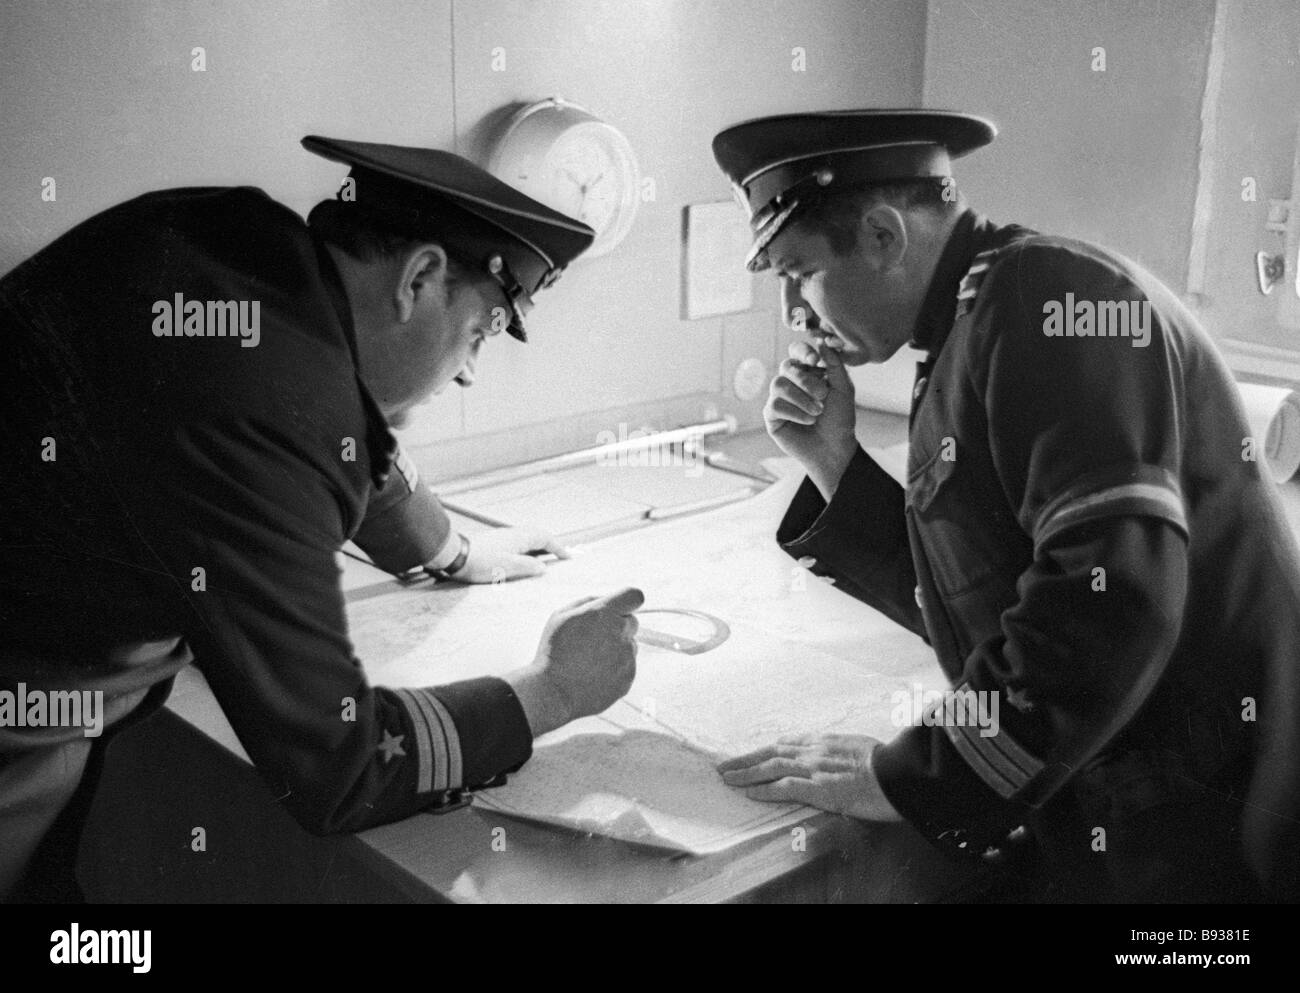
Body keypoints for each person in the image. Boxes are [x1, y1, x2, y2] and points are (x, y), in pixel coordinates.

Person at [0, 136, 642, 902]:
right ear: (420, 277)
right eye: (485, 328)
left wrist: (454, 549)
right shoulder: (261, 404)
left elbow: (343, 430)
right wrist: (551, 690)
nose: (471, 367)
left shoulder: (242, 243)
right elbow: (339, 765)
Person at [711, 109, 1300, 902]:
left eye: (798, 271)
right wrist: (834, 461)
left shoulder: (1049, 301)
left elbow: (1112, 605)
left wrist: (914, 778)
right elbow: (991, 594)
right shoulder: (976, 320)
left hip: (1210, 837)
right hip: (1134, 807)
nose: (796, 311)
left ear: (884, 237)